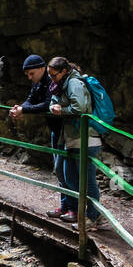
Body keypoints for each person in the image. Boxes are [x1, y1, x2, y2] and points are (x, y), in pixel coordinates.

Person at [8, 54, 68, 215]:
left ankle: (73, 208)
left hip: (66, 131)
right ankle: (66, 206)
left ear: (42, 68)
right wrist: (20, 108)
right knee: (61, 170)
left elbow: (48, 104)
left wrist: (24, 110)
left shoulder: (52, 81)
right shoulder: (38, 82)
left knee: (65, 170)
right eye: (27, 74)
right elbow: (31, 99)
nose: (29, 77)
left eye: (31, 73)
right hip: (56, 131)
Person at [47, 56, 101, 227]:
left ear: (63, 71)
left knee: (87, 181)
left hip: (86, 138)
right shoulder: (61, 84)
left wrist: (61, 110)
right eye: (50, 75)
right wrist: (54, 107)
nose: (52, 78)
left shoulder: (74, 84)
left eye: (54, 75)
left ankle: (93, 216)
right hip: (72, 138)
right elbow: (53, 101)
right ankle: (77, 211)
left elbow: (80, 108)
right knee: (68, 177)